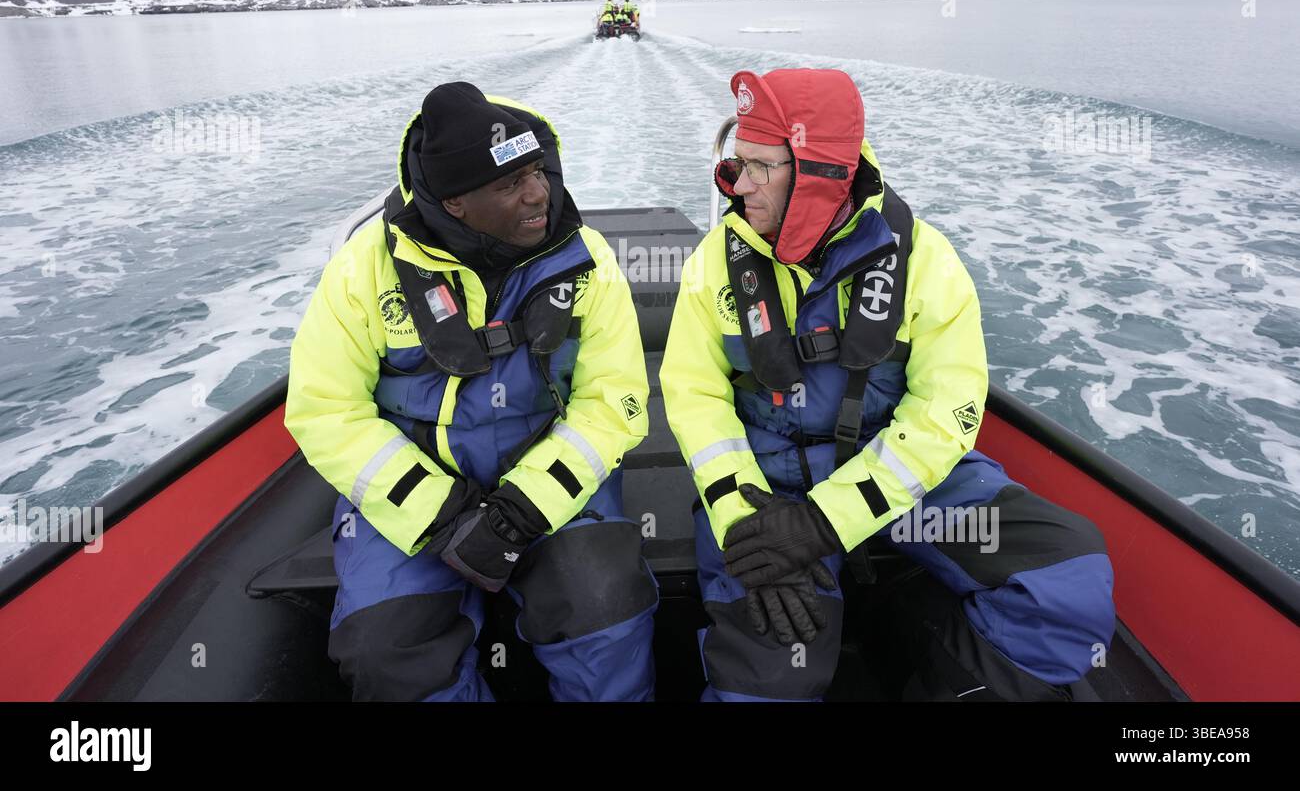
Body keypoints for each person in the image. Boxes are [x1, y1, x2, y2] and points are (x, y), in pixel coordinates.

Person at [660, 67, 1115, 701]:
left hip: (900, 473)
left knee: (1065, 577)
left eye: (760, 167)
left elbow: (947, 412)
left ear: (823, 175)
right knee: (772, 677)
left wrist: (827, 523)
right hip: (765, 487)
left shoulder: (926, 260)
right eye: (736, 166)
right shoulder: (715, 263)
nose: (738, 188)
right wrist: (744, 524)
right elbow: (695, 397)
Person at [285, 82, 658, 701]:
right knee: (389, 654)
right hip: (410, 492)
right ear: (454, 203)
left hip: (552, 480)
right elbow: (325, 410)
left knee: (608, 620)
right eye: (510, 185)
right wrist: (442, 515)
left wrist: (522, 510)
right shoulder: (363, 269)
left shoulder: (584, 257)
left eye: (537, 172)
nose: (539, 193)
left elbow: (614, 400)